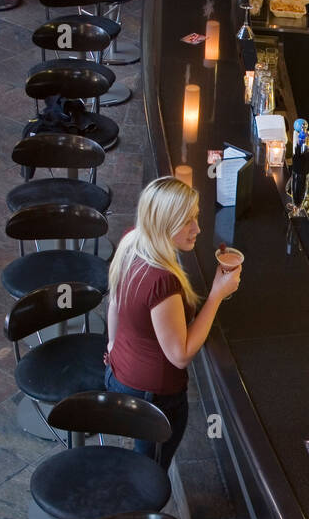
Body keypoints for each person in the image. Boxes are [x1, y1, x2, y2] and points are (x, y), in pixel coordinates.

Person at [104, 177, 242, 469]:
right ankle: (140, 511)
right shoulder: (161, 280)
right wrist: (217, 294)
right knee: (151, 468)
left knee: (144, 456)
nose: (198, 228)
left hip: (117, 376)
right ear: (165, 223)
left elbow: (115, 303)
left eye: (195, 217)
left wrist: (113, 345)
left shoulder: (132, 239)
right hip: (153, 397)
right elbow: (180, 355)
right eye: (188, 220)